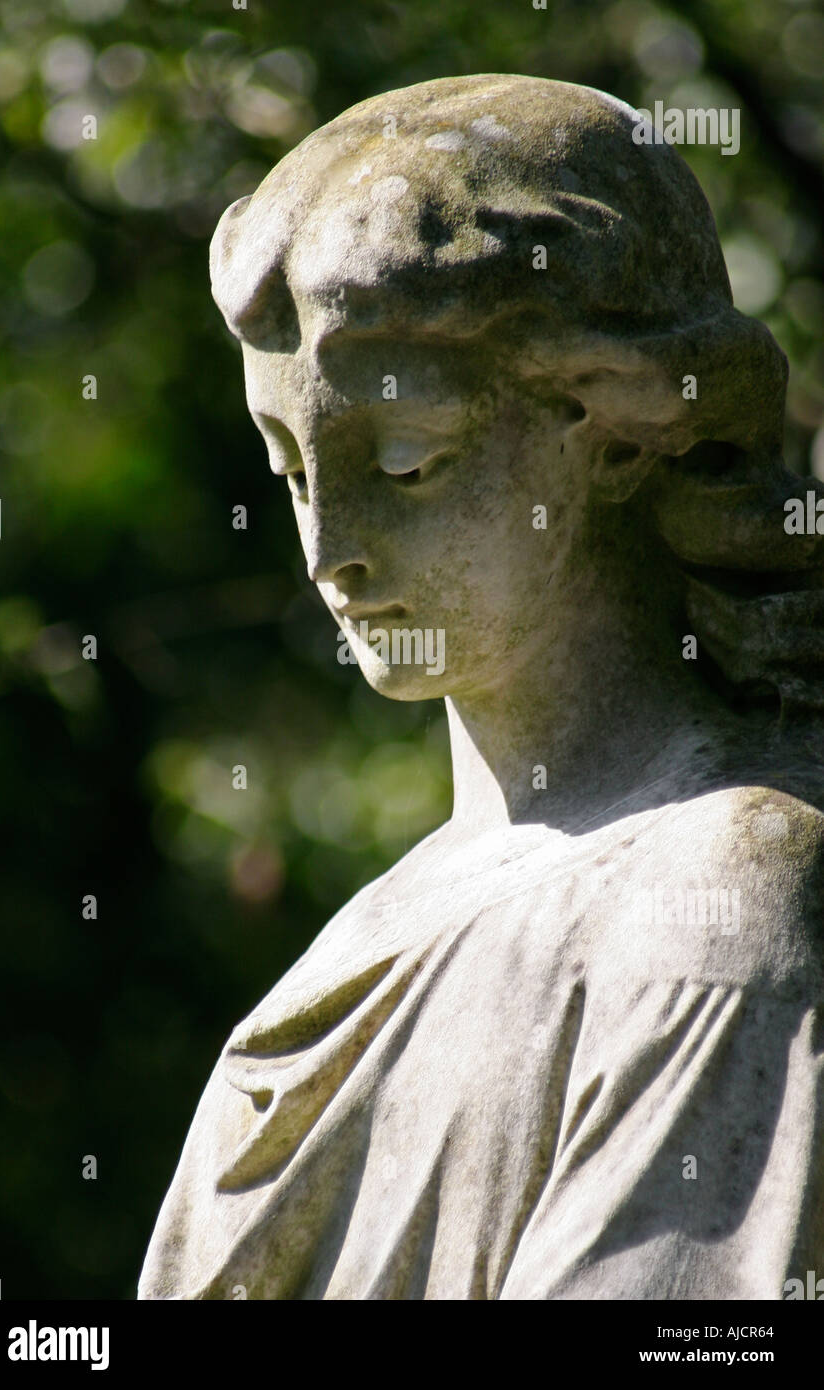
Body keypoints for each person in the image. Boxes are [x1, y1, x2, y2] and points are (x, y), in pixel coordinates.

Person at [139, 74, 824, 1301]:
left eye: (404, 462)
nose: (326, 547)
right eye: (291, 469)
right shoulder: (337, 964)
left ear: (614, 429)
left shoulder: (721, 906)